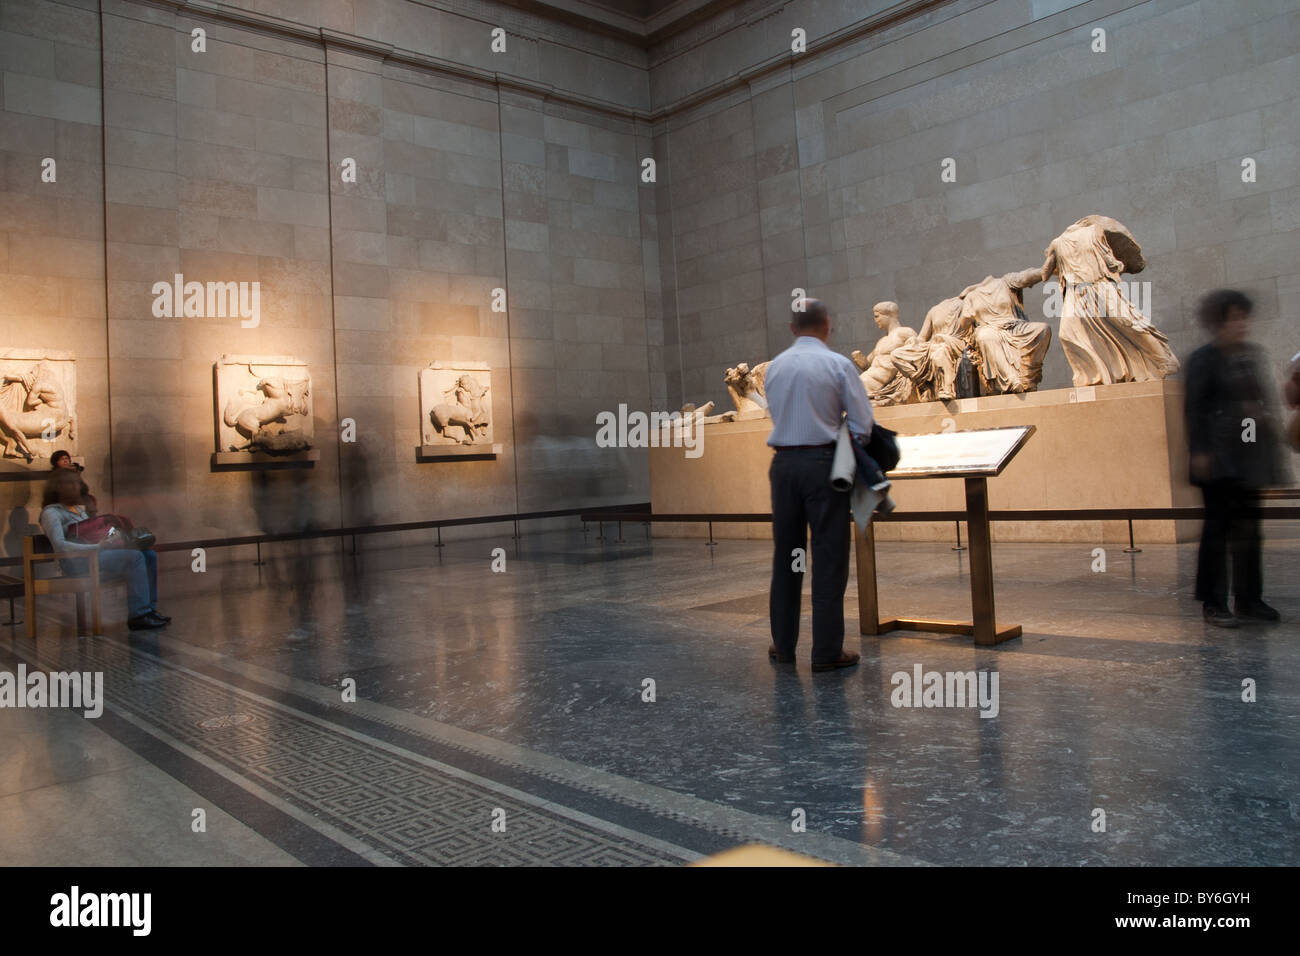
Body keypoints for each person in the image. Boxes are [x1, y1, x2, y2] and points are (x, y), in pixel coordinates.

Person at [764, 297, 873, 672]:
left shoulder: (775, 367)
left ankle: (783, 644)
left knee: (788, 558)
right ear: (827, 325)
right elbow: (863, 425)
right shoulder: (838, 364)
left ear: (792, 328)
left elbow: (774, 413)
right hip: (825, 466)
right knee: (828, 558)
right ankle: (826, 651)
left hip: (783, 467)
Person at [1183, 290, 1287, 628]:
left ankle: (1249, 599)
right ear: (1219, 322)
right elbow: (1194, 410)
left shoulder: (1250, 356)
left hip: (1247, 458)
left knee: (1249, 531)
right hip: (1216, 459)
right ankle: (1213, 603)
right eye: (1234, 317)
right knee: (1217, 532)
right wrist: (1199, 452)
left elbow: (1261, 402)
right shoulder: (1203, 359)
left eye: (1244, 316)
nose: (1241, 324)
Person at [38, 469, 169, 631]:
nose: (75, 487)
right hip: (77, 562)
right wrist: (98, 547)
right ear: (57, 487)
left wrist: (110, 539)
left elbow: (89, 534)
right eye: (70, 483)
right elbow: (60, 545)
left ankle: (149, 609)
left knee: (148, 554)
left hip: (94, 556)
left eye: (77, 482)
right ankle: (139, 615)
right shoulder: (51, 513)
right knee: (135, 557)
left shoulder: (77, 510)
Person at [49, 449, 97, 516]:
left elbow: (84, 489)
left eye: (67, 458)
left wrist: (76, 475)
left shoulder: (72, 473)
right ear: (56, 462)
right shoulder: (55, 475)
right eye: (62, 459)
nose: (65, 461)